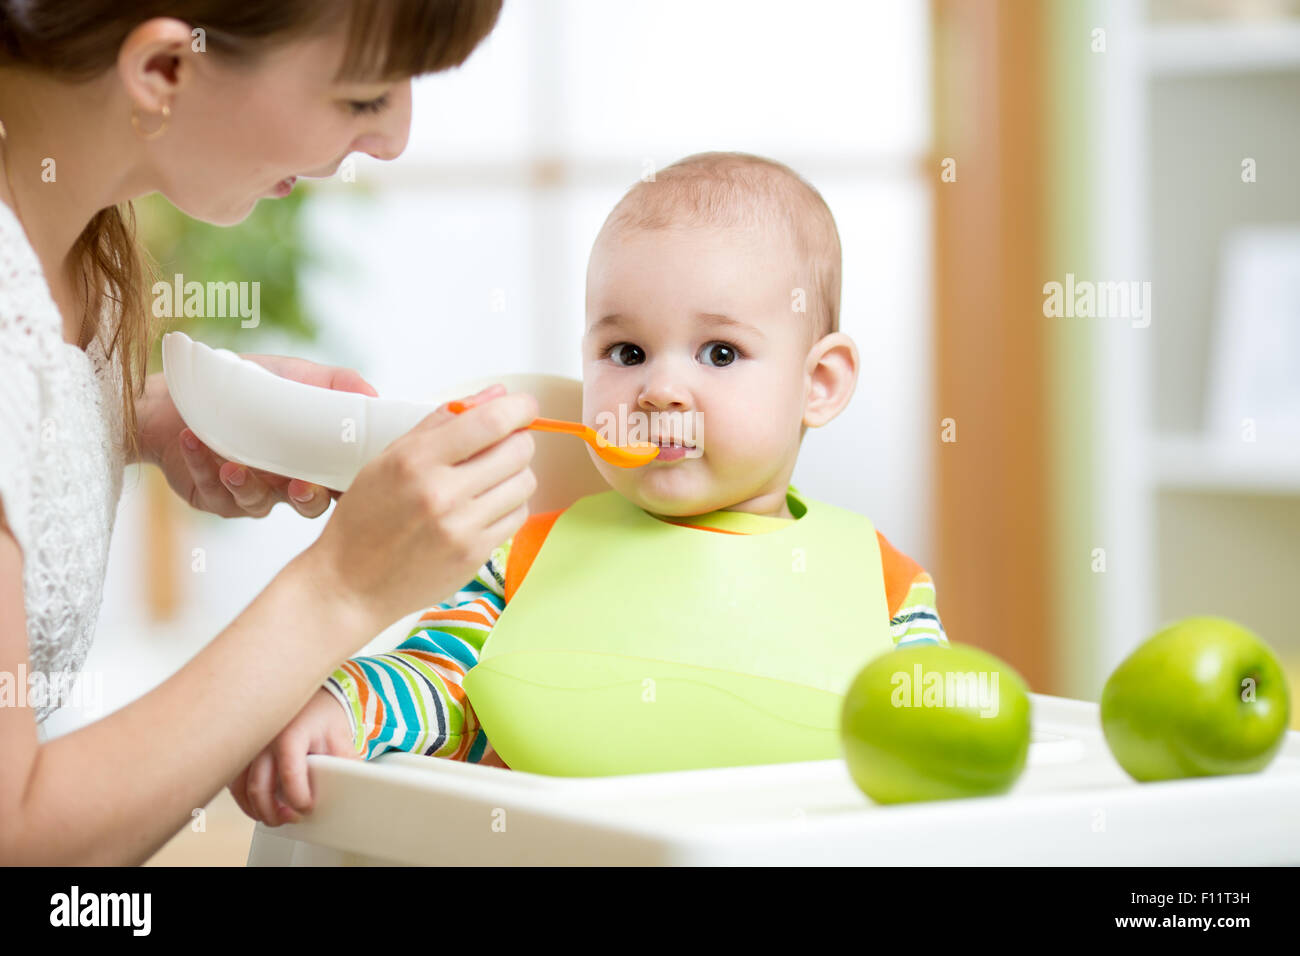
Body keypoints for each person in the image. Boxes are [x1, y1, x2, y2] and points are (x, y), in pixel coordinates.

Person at [239, 152, 948, 818]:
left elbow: (938, 741)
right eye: (627, 352)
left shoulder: (882, 585)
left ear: (817, 384)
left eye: (720, 353)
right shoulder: (519, 560)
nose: (661, 389)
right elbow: (438, 685)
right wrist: (344, 707)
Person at [0, 0, 539, 865]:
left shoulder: (70, 221)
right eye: (363, 98)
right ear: (165, 70)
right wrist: (342, 588)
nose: (395, 137)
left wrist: (139, 420)